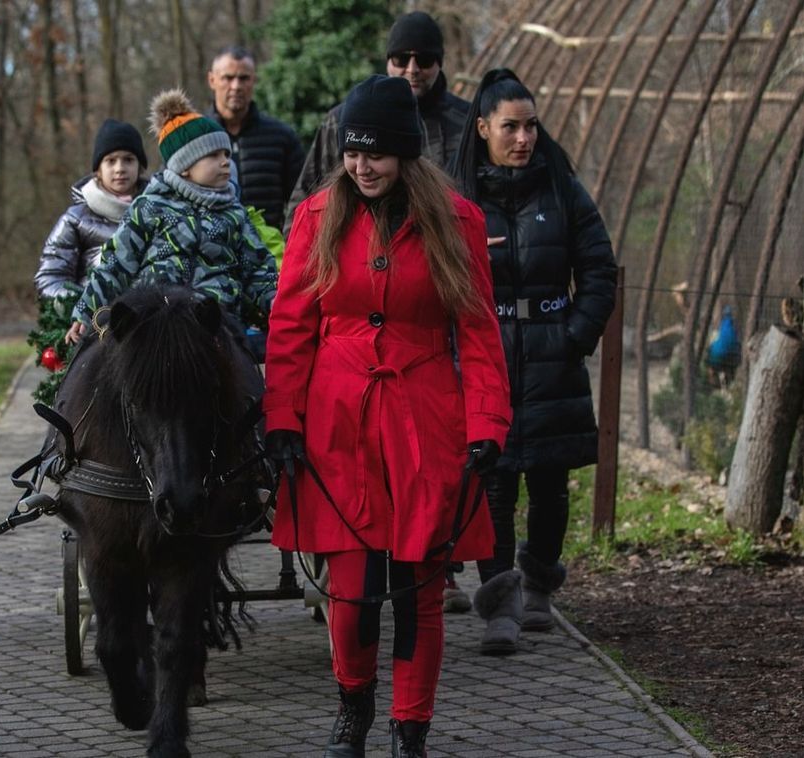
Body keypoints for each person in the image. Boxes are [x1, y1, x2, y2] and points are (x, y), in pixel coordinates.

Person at [264, 75, 510, 757]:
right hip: (336, 420)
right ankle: (352, 707)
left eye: (374, 154)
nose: (361, 166)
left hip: (424, 417)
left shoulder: (455, 219)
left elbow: (480, 334)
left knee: (419, 584)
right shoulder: (316, 217)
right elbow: (288, 327)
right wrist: (281, 418)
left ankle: (410, 729)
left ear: (403, 152)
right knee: (349, 586)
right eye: (351, 153)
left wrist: (486, 424)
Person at [450, 69, 617, 656]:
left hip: (552, 354)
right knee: (491, 485)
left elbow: (599, 270)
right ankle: (500, 603)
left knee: (549, 483)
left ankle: (541, 582)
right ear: (483, 128)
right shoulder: (458, 197)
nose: (523, 139)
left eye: (531, 126)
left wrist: (574, 335)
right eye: (510, 127)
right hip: (485, 357)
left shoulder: (563, 190)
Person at [65, 89, 277, 345]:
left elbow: (259, 271)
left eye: (226, 155)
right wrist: (87, 310)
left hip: (217, 325)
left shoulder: (234, 214)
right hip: (155, 321)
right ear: (185, 166)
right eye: (213, 155)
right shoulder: (150, 207)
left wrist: (278, 304)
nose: (225, 162)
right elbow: (117, 264)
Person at [285, 11, 470, 232]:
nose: (412, 69)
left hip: (446, 247)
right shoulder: (343, 121)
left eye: (424, 60)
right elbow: (304, 200)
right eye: (401, 59)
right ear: (388, 61)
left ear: (440, 63)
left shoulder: (466, 121)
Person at [34, 119, 148, 299]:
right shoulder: (76, 219)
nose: (119, 169)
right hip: (92, 321)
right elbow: (51, 276)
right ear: (98, 170)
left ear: (140, 166)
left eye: (128, 160)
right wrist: (82, 304)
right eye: (110, 161)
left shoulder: (159, 212)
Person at [205, 46, 305, 229]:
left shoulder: (281, 137)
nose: (236, 86)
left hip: (269, 249)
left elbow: (304, 199)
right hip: (209, 249)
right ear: (212, 80)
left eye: (244, 78)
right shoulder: (194, 138)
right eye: (227, 78)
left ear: (254, 80)